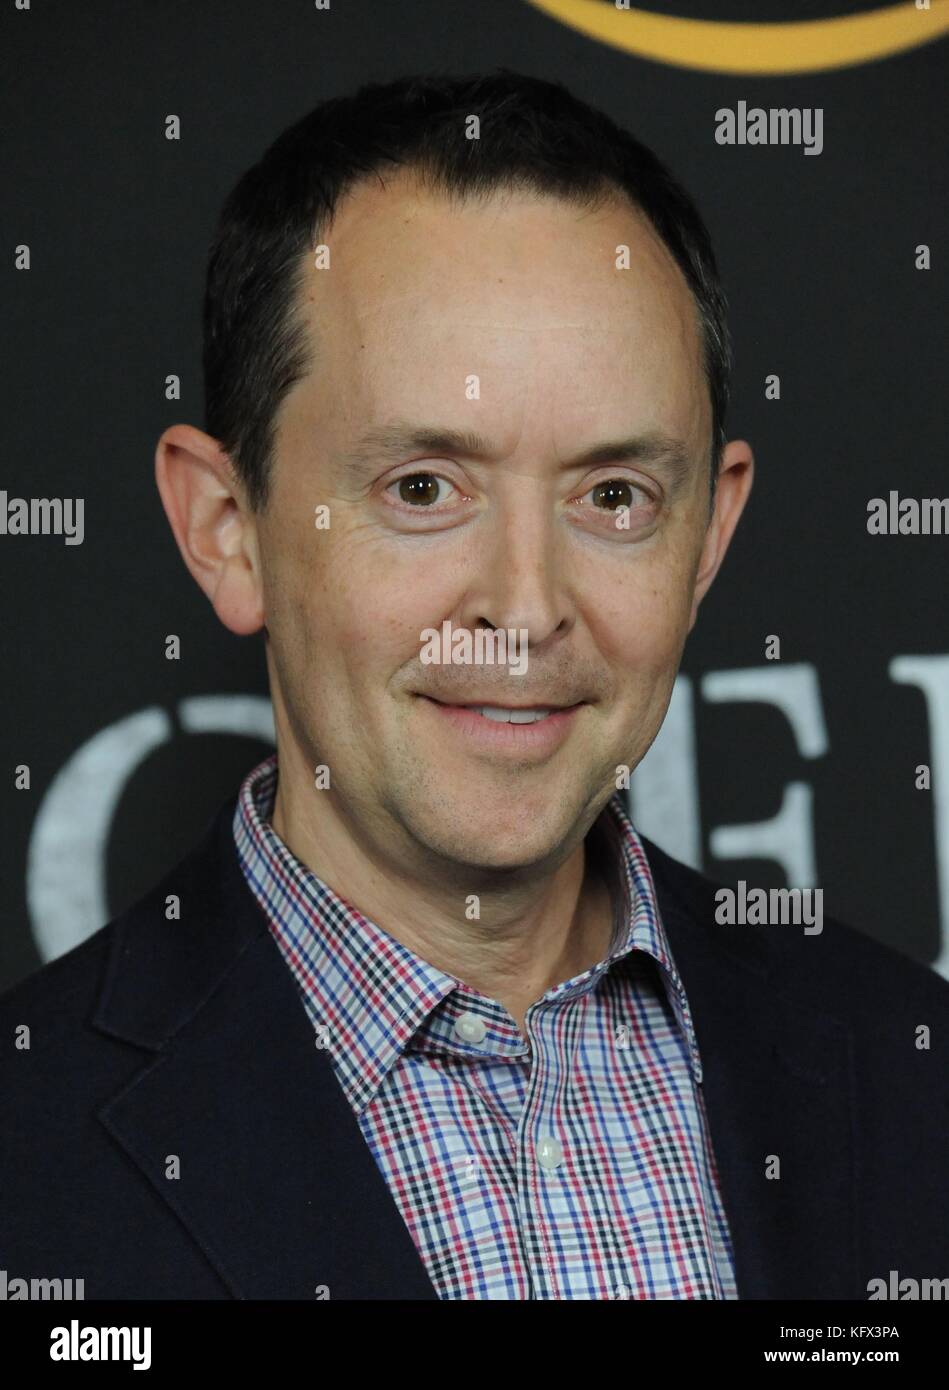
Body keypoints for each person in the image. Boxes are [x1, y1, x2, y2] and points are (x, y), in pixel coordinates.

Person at [3, 69, 948, 1302]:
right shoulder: (29, 1168)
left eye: (612, 496)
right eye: (422, 489)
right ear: (228, 527)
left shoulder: (909, 1070)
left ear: (707, 537)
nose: (525, 603)